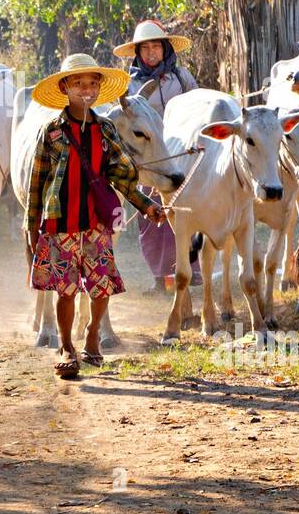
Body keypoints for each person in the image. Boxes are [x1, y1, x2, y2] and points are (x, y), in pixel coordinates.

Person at [25, 54, 169, 378]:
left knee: (101, 287)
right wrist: (31, 228)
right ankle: (66, 346)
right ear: (65, 87)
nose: (86, 89)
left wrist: (146, 205)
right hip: (60, 223)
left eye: (92, 83)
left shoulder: (105, 130)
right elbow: (37, 183)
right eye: (78, 83)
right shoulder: (50, 133)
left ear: (99, 88)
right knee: (65, 290)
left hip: (96, 224)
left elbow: (122, 176)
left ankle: (92, 334)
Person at [112, 19, 203, 293]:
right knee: (152, 217)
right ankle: (160, 277)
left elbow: (198, 106)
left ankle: (191, 270)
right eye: (145, 48)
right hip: (149, 159)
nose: (151, 52)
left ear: (165, 49)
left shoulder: (181, 77)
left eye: (156, 47)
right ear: (138, 53)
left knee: (188, 210)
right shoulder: (128, 86)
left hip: (180, 152)